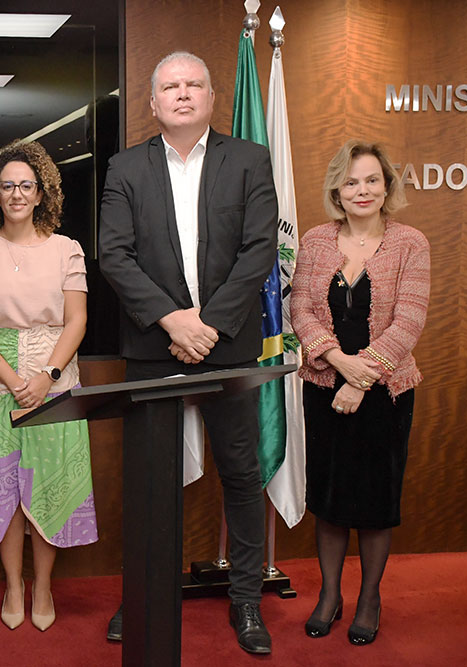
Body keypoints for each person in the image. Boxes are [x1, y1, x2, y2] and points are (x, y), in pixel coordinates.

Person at [98, 52, 279, 654]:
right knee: (151, 480)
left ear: (211, 97)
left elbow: (259, 250)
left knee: (242, 473)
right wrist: (174, 320)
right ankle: (142, 593)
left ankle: (246, 599)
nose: (182, 93)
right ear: (153, 103)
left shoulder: (249, 160)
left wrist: (210, 325)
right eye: (170, 86)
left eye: (193, 84)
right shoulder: (125, 167)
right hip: (155, 344)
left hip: (228, 345)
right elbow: (114, 254)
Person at [0, 140, 97, 632]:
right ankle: (14, 585)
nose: (16, 194)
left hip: (55, 386)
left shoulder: (66, 249)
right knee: (8, 493)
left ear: (40, 194)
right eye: (7, 185)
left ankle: (44, 586)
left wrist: (46, 376)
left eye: (26, 186)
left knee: (49, 487)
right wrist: (16, 381)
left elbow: (77, 321)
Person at [291, 140, 429, 646]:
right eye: (351, 182)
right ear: (337, 190)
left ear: (387, 186)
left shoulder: (410, 242)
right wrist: (337, 362)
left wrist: (361, 379)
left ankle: (369, 598)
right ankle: (329, 595)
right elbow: (300, 309)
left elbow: (409, 320)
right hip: (324, 388)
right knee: (328, 500)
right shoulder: (315, 240)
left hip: (385, 395)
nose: (362, 190)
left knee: (374, 502)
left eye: (372, 180)